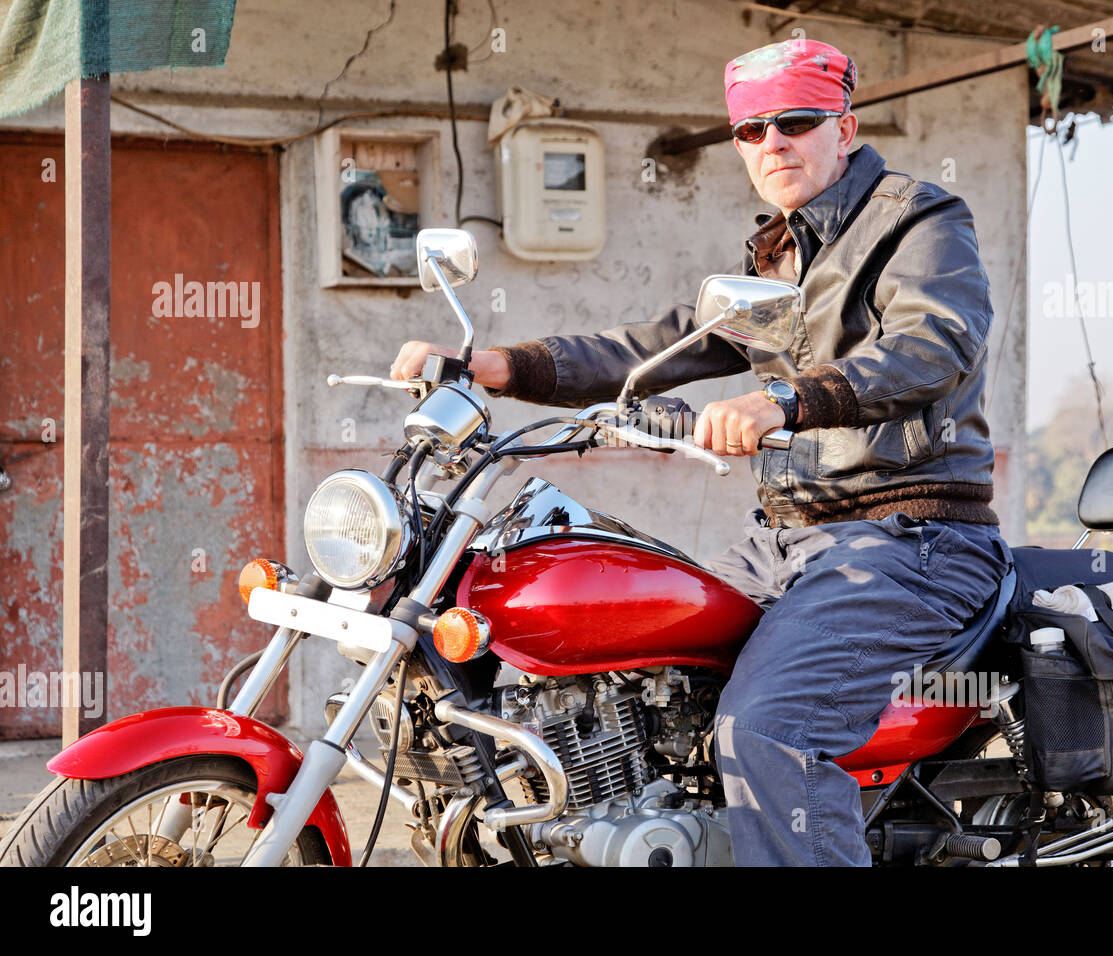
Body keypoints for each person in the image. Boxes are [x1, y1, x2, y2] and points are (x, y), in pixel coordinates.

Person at [390, 38, 1013, 866]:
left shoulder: (921, 220)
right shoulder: (777, 254)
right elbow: (665, 345)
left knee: (767, 729)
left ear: (845, 126)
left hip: (912, 541)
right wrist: (503, 366)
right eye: (751, 130)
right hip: (789, 541)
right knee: (637, 685)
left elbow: (932, 346)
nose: (772, 144)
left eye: (794, 121)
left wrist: (787, 399)